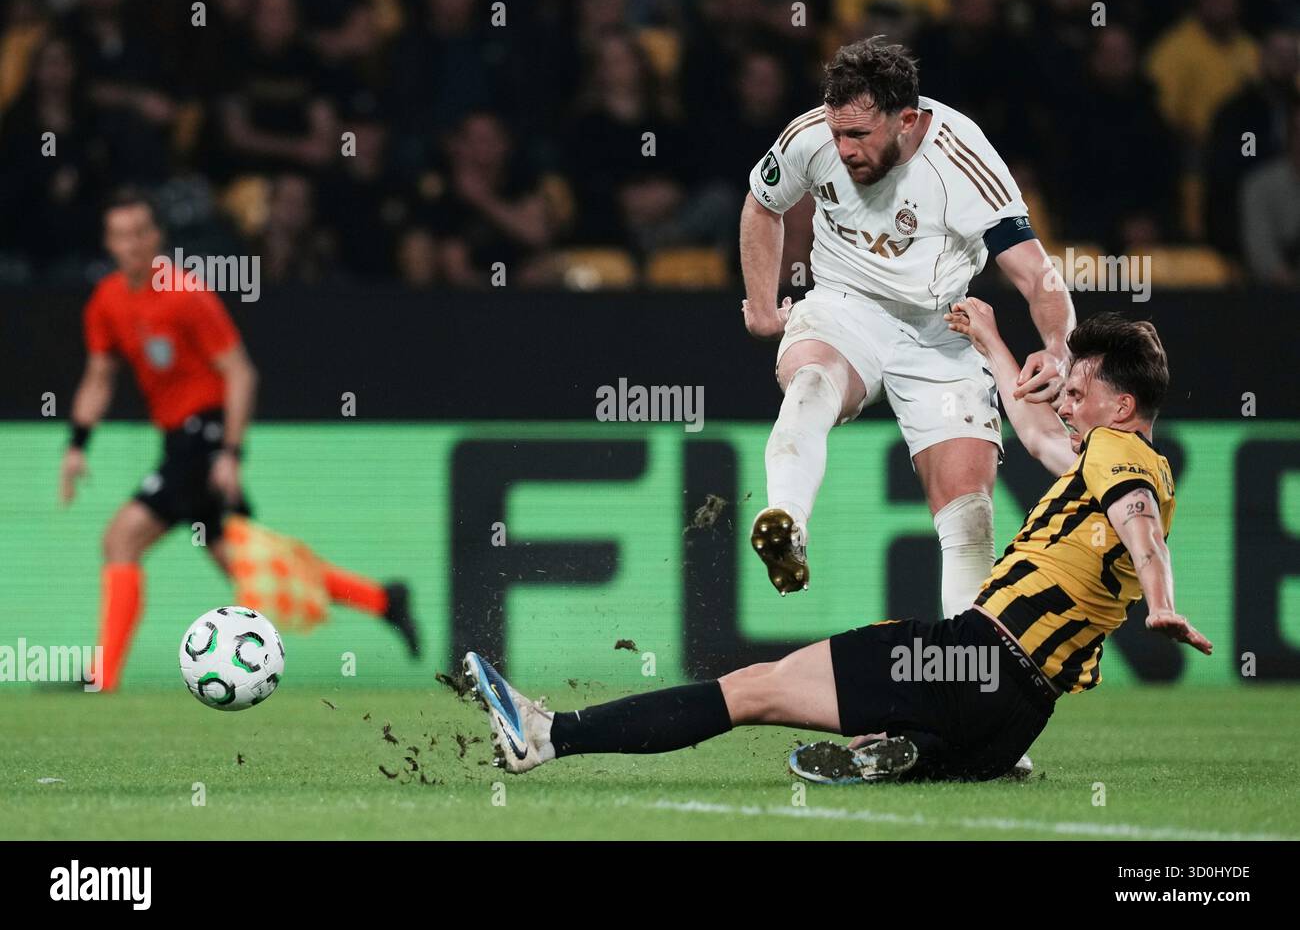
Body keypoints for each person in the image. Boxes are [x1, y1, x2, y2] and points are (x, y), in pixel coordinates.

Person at [460, 306, 1211, 783]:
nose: (1068, 405)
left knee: (752, 690)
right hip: (1021, 712)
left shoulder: (1118, 456)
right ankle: (916, 751)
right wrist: (988, 340)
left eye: (1080, 394)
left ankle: (549, 736)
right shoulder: (1124, 460)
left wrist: (1164, 602)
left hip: (966, 662)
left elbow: (1139, 526)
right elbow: (1039, 434)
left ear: (1124, 404)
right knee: (918, 725)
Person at [738, 37, 1074, 619]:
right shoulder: (811, 135)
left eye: (860, 135)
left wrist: (1059, 346)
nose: (843, 149)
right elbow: (762, 203)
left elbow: (1035, 272)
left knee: (968, 514)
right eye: (838, 132)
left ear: (907, 120)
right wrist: (764, 307)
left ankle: (965, 676)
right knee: (811, 383)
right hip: (844, 305)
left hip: (939, 327)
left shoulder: (963, 161)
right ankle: (787, 521)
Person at [60, 189, 419, 691]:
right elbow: (99, 377)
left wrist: (229, 453)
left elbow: (240, 373)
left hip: (202, 436)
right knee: (244, 559)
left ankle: (103, 677)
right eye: (121, 235)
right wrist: (78, 445)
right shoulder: (108, 300)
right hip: (178, 441)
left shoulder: (185, 294)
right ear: (109, 243)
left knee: (121, 540)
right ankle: (382, 599)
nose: (132, 244)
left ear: (156, 237)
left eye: (140, 232)